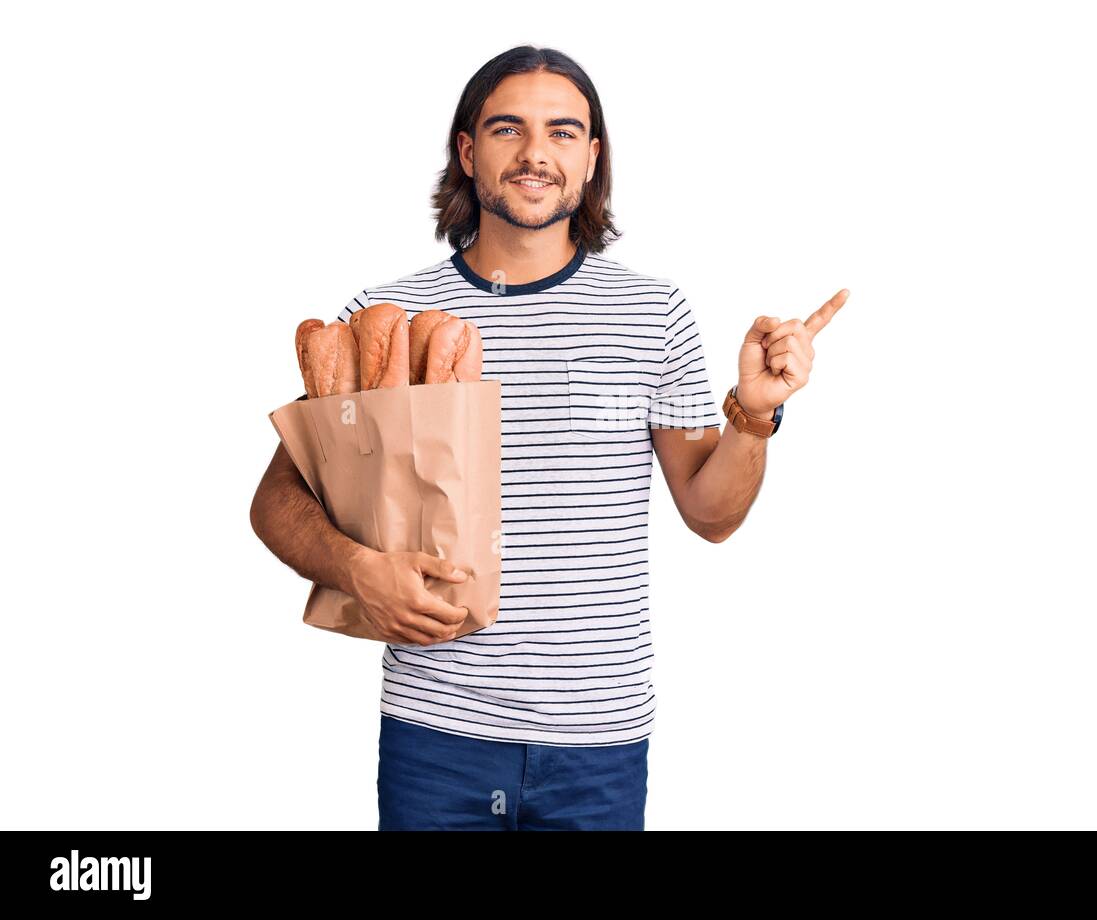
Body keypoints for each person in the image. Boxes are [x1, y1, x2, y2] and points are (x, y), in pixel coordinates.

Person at [249, 44, 848, 831]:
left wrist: (753, 413)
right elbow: (273, 505)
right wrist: (359, 570)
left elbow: (713, 514)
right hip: (437, 732)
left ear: (592, 158)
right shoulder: (380, 318)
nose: (536, 153)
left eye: (564, 133)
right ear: (468, 152)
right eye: (509, 130)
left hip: (597, 744)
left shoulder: (651, 314)